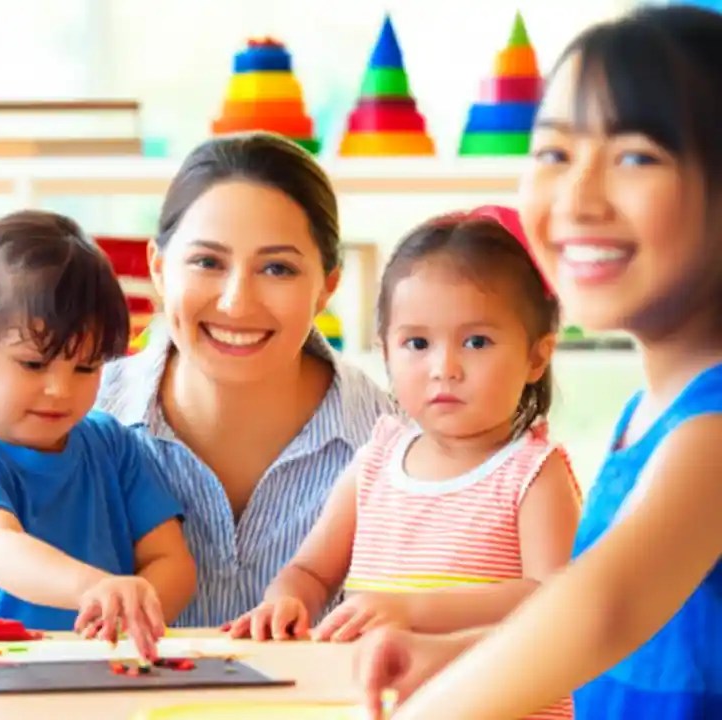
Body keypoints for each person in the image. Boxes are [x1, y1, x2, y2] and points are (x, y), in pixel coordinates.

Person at [355, 6, 722, 718]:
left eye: (636, 157)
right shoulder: (650, 415)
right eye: (553, 154)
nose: (576, 198)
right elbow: (610, 636)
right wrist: (455, 653)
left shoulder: (712, 432)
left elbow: (604, 612)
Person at [230, 209, 580, 719]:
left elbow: (558, 602)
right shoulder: (377, 462)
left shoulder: (533, 472)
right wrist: (286, 601)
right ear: (386, 352)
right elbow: (310, 569)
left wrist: (412, 611)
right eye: (417, 343)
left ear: (536, 357)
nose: (445, 368)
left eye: (477, 342)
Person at [97, 132, 394, 627]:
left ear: (328, 287)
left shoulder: (403, 445)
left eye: (277, 268)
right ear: (158, 269)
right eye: (207, 262)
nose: (237, 302)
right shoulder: (79, 421)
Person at [0, 210, 195, 661]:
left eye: (86, 367)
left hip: (104, 672)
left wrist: (134, 605)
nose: (60, 390)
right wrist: (97, 588)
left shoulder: (114, 445)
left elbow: (172, 562)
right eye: (33, 364)